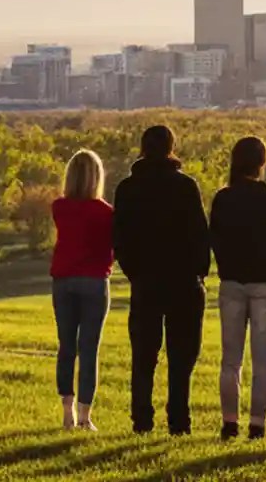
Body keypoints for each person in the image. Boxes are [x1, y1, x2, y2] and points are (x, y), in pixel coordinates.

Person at [112, 125, 210, 436]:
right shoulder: (185, 186)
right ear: (172, 147)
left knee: (143, 356)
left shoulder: (127, 188)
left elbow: (120, 238)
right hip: (183, 281)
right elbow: (199, 233)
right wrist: (199, 272)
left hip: (146, 282)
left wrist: (134, 272)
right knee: (182, 358)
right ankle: (179, 421)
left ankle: (142, 419)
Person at [210, 136, 266, 441]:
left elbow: (215, 238)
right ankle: (257, 424)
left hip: (232, 282)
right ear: (262, 163)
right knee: (263, 361)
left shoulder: (224, 198)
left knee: (230, 360)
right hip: (265, 284)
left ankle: (229, 422)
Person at [49, 149, 114, 432]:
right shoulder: (106, 213)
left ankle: (67, 410)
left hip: (63, 280)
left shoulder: (59, 207)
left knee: (67, 346)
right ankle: (86, 416)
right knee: (89, 349)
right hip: (94, 281)